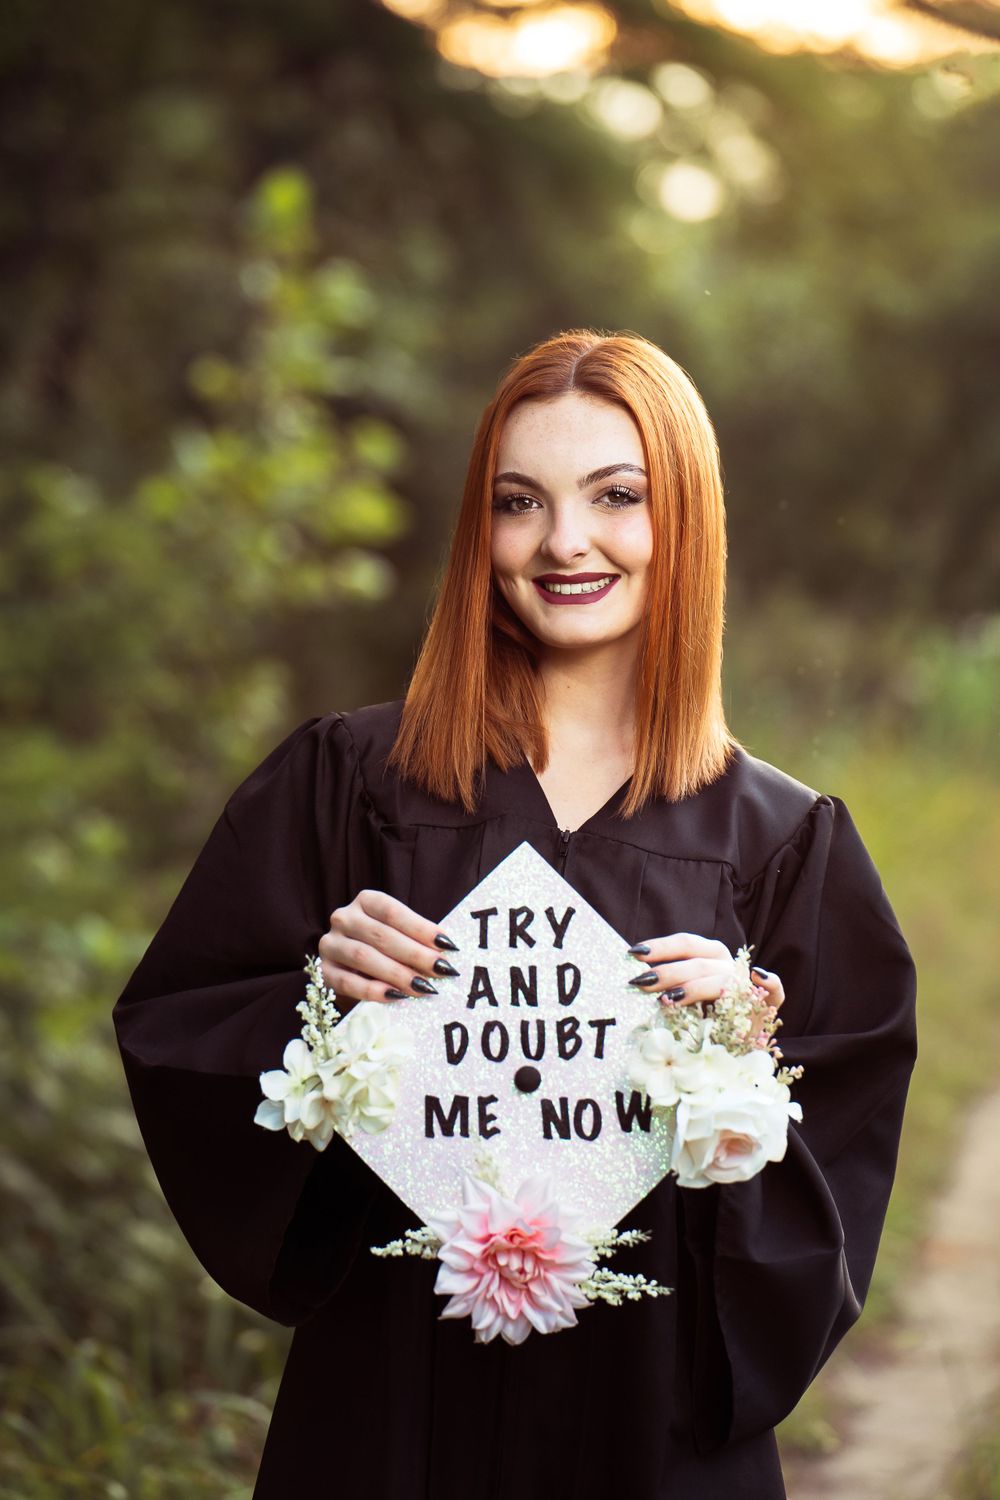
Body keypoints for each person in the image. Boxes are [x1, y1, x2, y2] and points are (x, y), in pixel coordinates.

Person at [113, 328, 918, 1499]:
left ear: (684, 517)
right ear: (477, 532)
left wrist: (747, 1059)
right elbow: (185, 1029)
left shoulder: (780, 843)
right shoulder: (354, 783)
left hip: (652, 1426)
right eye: (519, 501)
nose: (564, 542)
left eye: (616, 495)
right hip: (392, 1407)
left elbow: (827, 1178)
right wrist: (319, 1008)